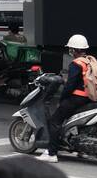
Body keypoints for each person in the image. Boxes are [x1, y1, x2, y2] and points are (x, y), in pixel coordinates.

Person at [36, 34, 93, 163]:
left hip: (77, 98)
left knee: (55, 121)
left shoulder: (76, 64)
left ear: (73, 49)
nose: (70, 51)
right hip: (88, 98)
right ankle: (82, 150)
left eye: (71, 49)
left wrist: (62, 98)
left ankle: (51, 153)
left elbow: (70, 85)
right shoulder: (89, 61)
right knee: (76, 122)